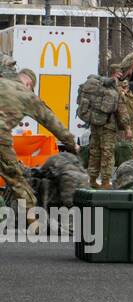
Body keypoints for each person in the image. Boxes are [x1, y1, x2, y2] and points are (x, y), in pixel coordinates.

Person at [0, 73, 77, 225]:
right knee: (16, 179)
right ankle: (32, 220)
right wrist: (71, 143)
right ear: (29, 84)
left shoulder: (2, 82)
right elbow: (51, 121)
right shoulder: (26, 95)